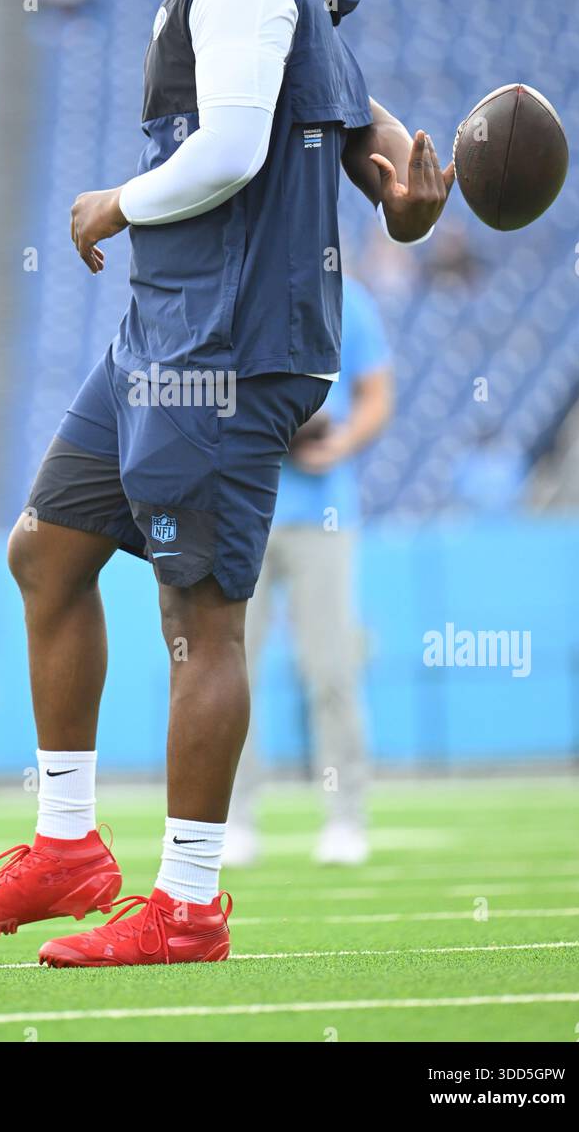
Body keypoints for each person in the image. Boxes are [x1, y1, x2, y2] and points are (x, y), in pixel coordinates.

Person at [0, 0, 451, 964]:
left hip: (226, 345)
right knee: (46, 549)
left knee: (197, 622)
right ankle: (68, 848)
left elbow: (226, 151)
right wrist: (397, 188)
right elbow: (355, 120)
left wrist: (116, 196)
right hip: (165, 334)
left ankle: (190, 903)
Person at [223, 277, 393, 868]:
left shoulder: (350, 301)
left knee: (331, 669)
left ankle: (346, 817)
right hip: (247, 508)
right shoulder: (242, 294)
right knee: (232, 675)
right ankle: (235, 817)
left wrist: (340, 443)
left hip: (324, 513)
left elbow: (376, 393)